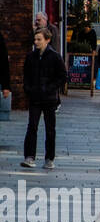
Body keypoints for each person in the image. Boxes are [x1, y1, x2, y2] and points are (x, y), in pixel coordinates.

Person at [22, 27, 66, 169]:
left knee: (50, 128)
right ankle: (29, 157)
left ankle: (49, 158)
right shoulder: (31, 57)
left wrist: (50, 88)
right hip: (35, 97)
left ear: (47, 40)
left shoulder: (55, 57)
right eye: (35, 39)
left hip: (49, 98)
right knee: (32, 127)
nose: (36, 42)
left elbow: (63, 76)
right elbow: (26, 75)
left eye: (39, 39)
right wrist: (28, 89)